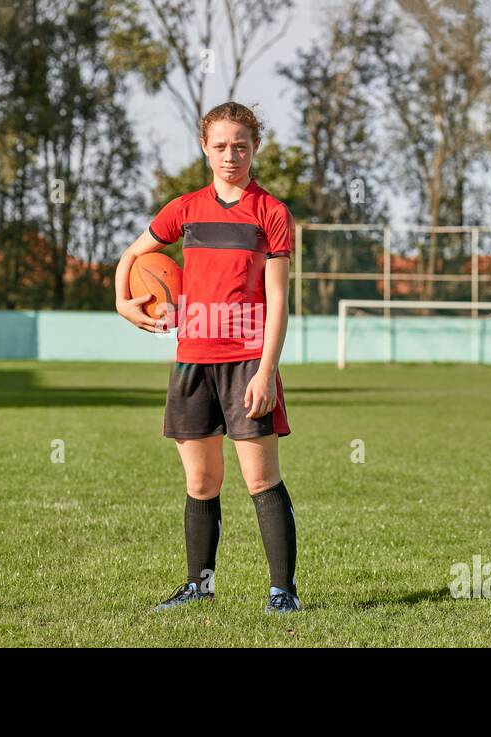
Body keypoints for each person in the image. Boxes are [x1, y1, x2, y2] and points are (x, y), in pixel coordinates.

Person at [114, 101, 301, 614]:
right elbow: (131, 257)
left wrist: (266, 371)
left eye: (240, 145)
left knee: (261, 480)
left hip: (247, 360)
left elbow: (280, 301)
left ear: (254, 148)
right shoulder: (185, 208)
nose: (230, 156)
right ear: (204, 147)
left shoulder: (272, 213)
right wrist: (122, 302)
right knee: (201, 481)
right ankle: (199, 584)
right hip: (193, 359)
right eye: (219, 146)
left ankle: (282, 591)